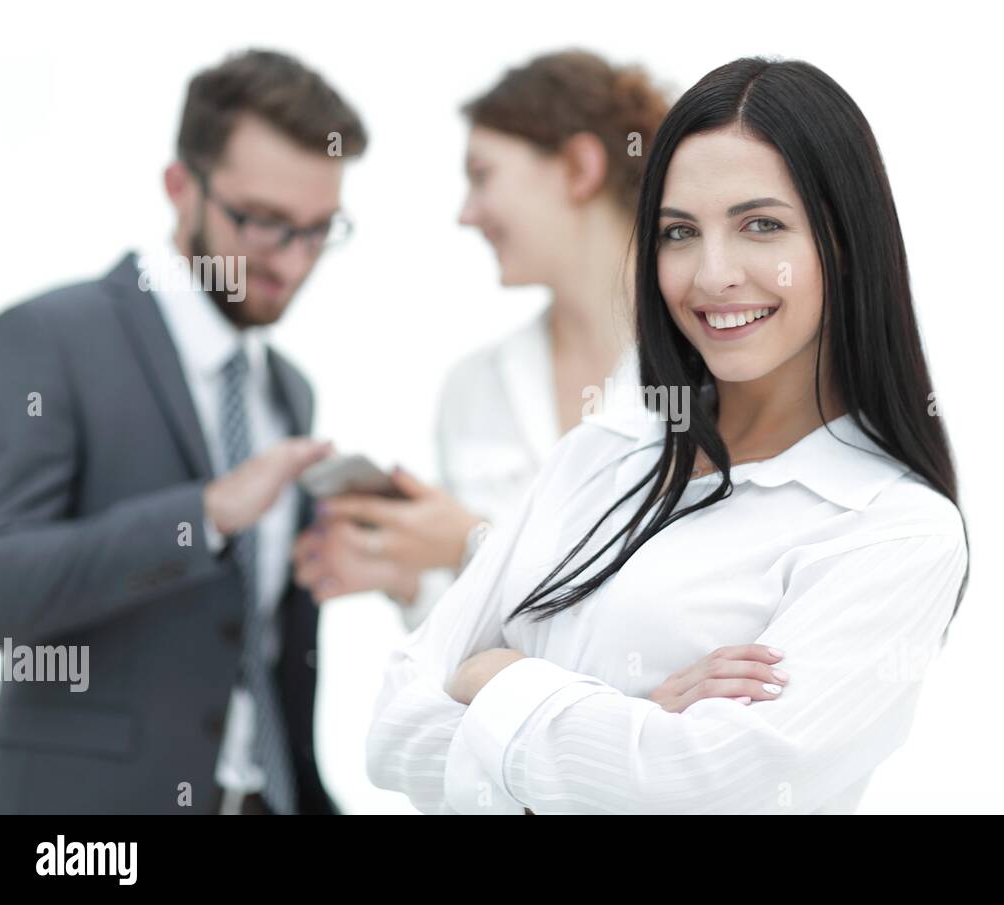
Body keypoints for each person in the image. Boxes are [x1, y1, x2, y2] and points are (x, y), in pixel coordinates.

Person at [364, 56, 971, 814]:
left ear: (844, 241)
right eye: (679, 233)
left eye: (761, 226)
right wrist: (638, 717)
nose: (711, 274)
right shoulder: (603, 452)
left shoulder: (894, 530)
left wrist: (497, 679)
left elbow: (713, 788)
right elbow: (393, 730)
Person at [0, 49, 367, 814]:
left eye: (318, 230)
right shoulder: (51, 337)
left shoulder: (287, 387)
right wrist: (205, 515)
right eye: (263, 222)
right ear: (178, 186)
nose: (291, 260)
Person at [291, 50, 671, 630]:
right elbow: (465, 638)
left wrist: (471, 542)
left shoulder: (709, 364)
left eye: (483, 176)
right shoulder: (475, 386)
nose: (466, 214)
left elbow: (679, 610)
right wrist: (408, 575)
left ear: (578, 167)